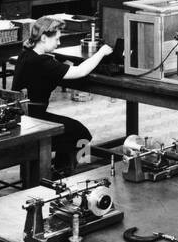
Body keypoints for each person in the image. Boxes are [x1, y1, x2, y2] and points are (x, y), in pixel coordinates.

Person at [11, 16, 115, 175]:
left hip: (21, 117)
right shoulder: (42, 63)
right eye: (57, 39)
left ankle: (60, 168)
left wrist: (62, 64)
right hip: (35, 122)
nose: (59, 43)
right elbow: (81, 71)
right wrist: (101, 52)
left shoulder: (26, 54)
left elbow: (51, 67)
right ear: (44, 38)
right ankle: (65, 172)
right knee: (82, 133)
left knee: (72, 130)